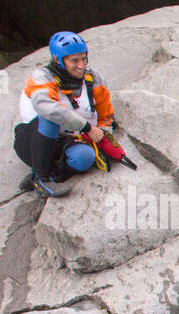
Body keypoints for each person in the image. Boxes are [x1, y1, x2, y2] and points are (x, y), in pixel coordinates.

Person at [13, 31, 114, 198]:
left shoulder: (93, 78)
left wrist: (104, 133)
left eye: (83, 58)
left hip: (67, 141)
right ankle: (41, 178)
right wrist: (87, 127)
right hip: (35, 139)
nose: (81, 65)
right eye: (74, 60)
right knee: (51, 118)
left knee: (85, 158)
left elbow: (106, 115)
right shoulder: (41, 77)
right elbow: (48, 108)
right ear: (57, 60)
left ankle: (50, 175)